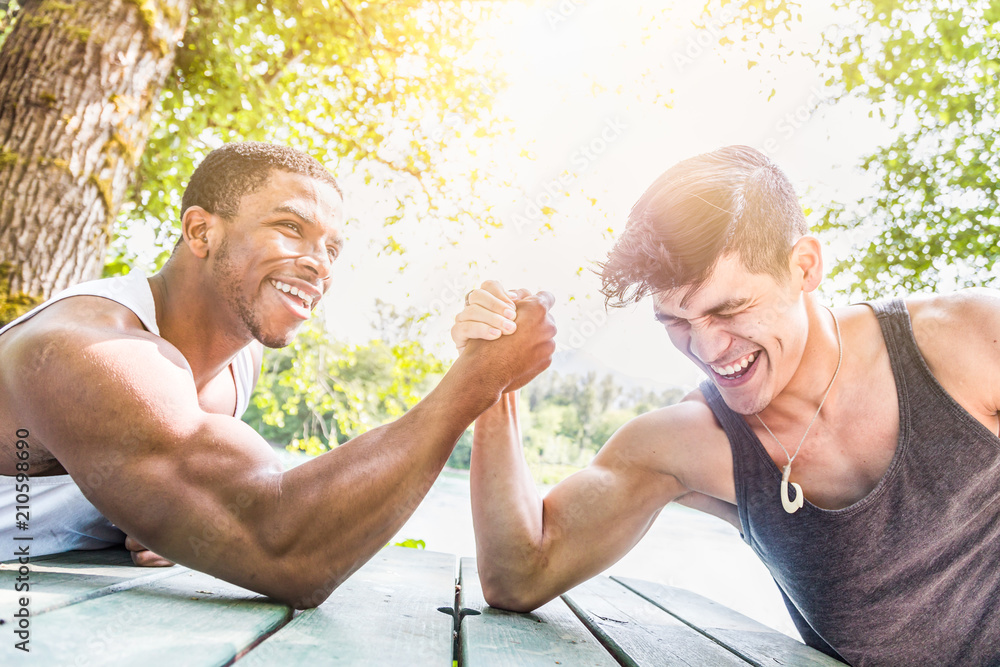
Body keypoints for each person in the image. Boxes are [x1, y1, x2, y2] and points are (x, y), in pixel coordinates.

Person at [453, 145, 1000, 666]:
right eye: (675, 322)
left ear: (805, 267)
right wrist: (491, 383)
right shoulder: (689, 442)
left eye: (730, 309)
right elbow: (518, 576)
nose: (708, 349)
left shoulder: (973, 340)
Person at [0, 141, 556, 609]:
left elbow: (220, 499)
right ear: (200, 232)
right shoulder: (90, 351)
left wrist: (174, 520)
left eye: (332, 248)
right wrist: (480, 377)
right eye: (291, 227)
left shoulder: (241, 360)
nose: (320, 264)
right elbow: (285, 547)